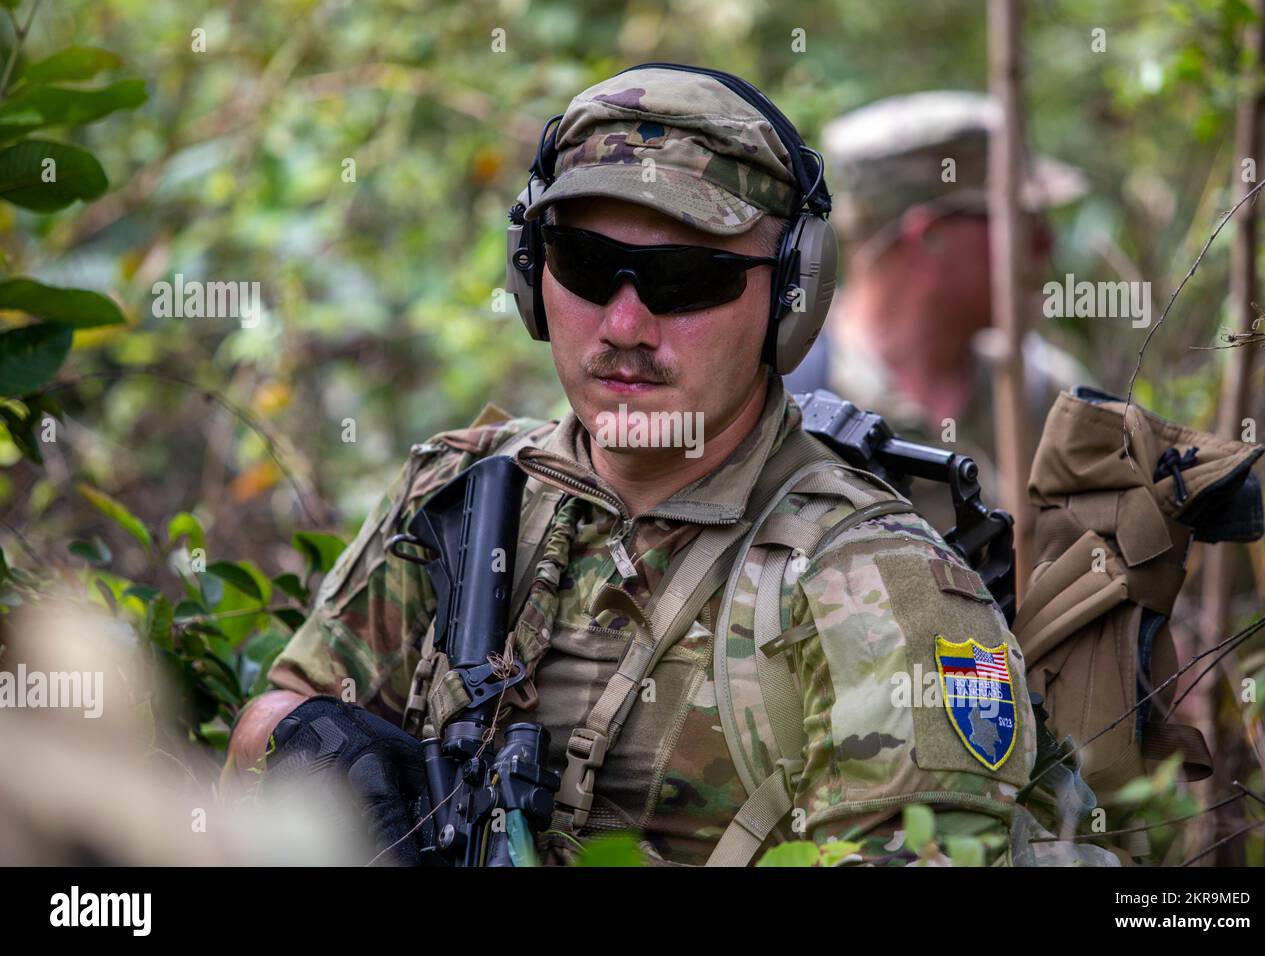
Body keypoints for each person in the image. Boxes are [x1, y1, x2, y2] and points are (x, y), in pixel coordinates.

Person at [224, 65, 1111, 867]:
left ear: (792, 296)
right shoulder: (463, 494)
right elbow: (271, 726)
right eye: (585, 265)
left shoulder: (877, 584)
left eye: (686, 279)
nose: (623, 325)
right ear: (532, 276)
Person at [784, 91, 1093, 531]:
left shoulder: (1050, 394)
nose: (1047, 245)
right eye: (1020, 221)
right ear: (929, 237)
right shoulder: (786, 402)